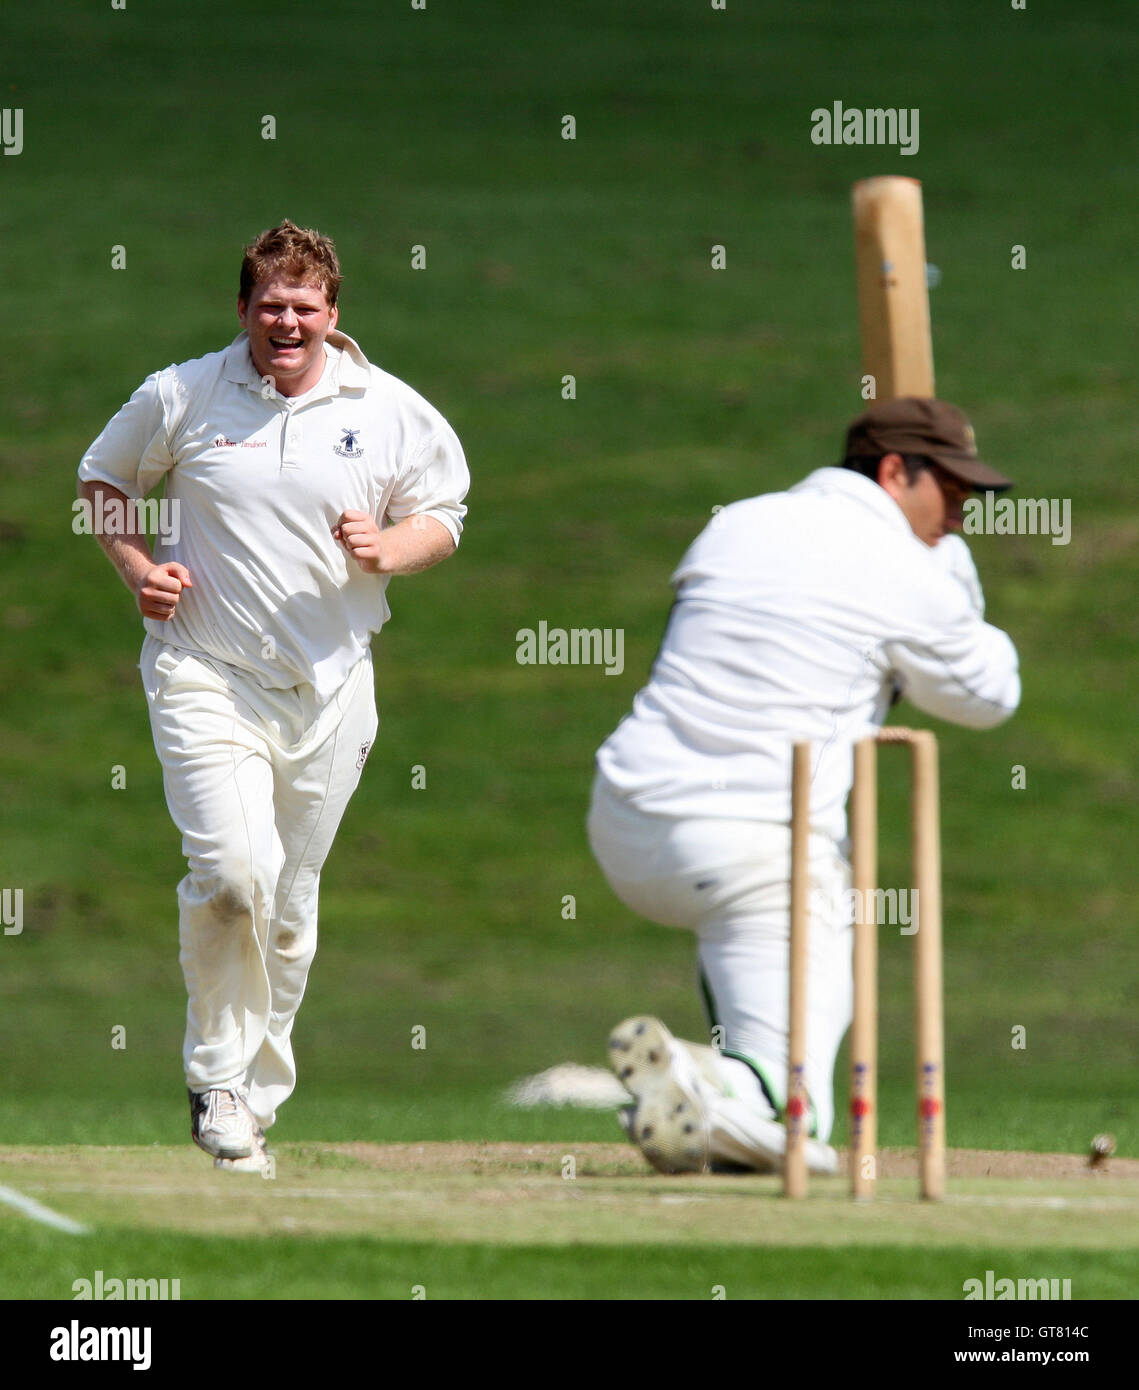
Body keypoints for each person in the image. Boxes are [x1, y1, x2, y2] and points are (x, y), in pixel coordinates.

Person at [77, 220, 469, 1171]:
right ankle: (215, 1081)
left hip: (332, 684)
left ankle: (255, 1096)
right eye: (269, 306)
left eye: (304, 307)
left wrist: (388, 549)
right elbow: (102, 479)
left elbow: (444, 516)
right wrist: (137, 569)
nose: (285, 323)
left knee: (288, 904)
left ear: (333, 314)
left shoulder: (388, 408)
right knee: (232, 877)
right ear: (243, 310)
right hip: (203, 669)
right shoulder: (184, 392)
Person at [587, 397, 1019, 1175]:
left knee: (769, 1077)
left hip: (626, 815)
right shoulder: (904, 570)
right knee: (801, 1111)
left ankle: (697, 1103)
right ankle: (693, 1078)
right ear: (894, 471)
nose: (957, 517)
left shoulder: (740, 521)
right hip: (761, 848)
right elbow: (987, 695)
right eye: (949, 495)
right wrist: (951, 578)